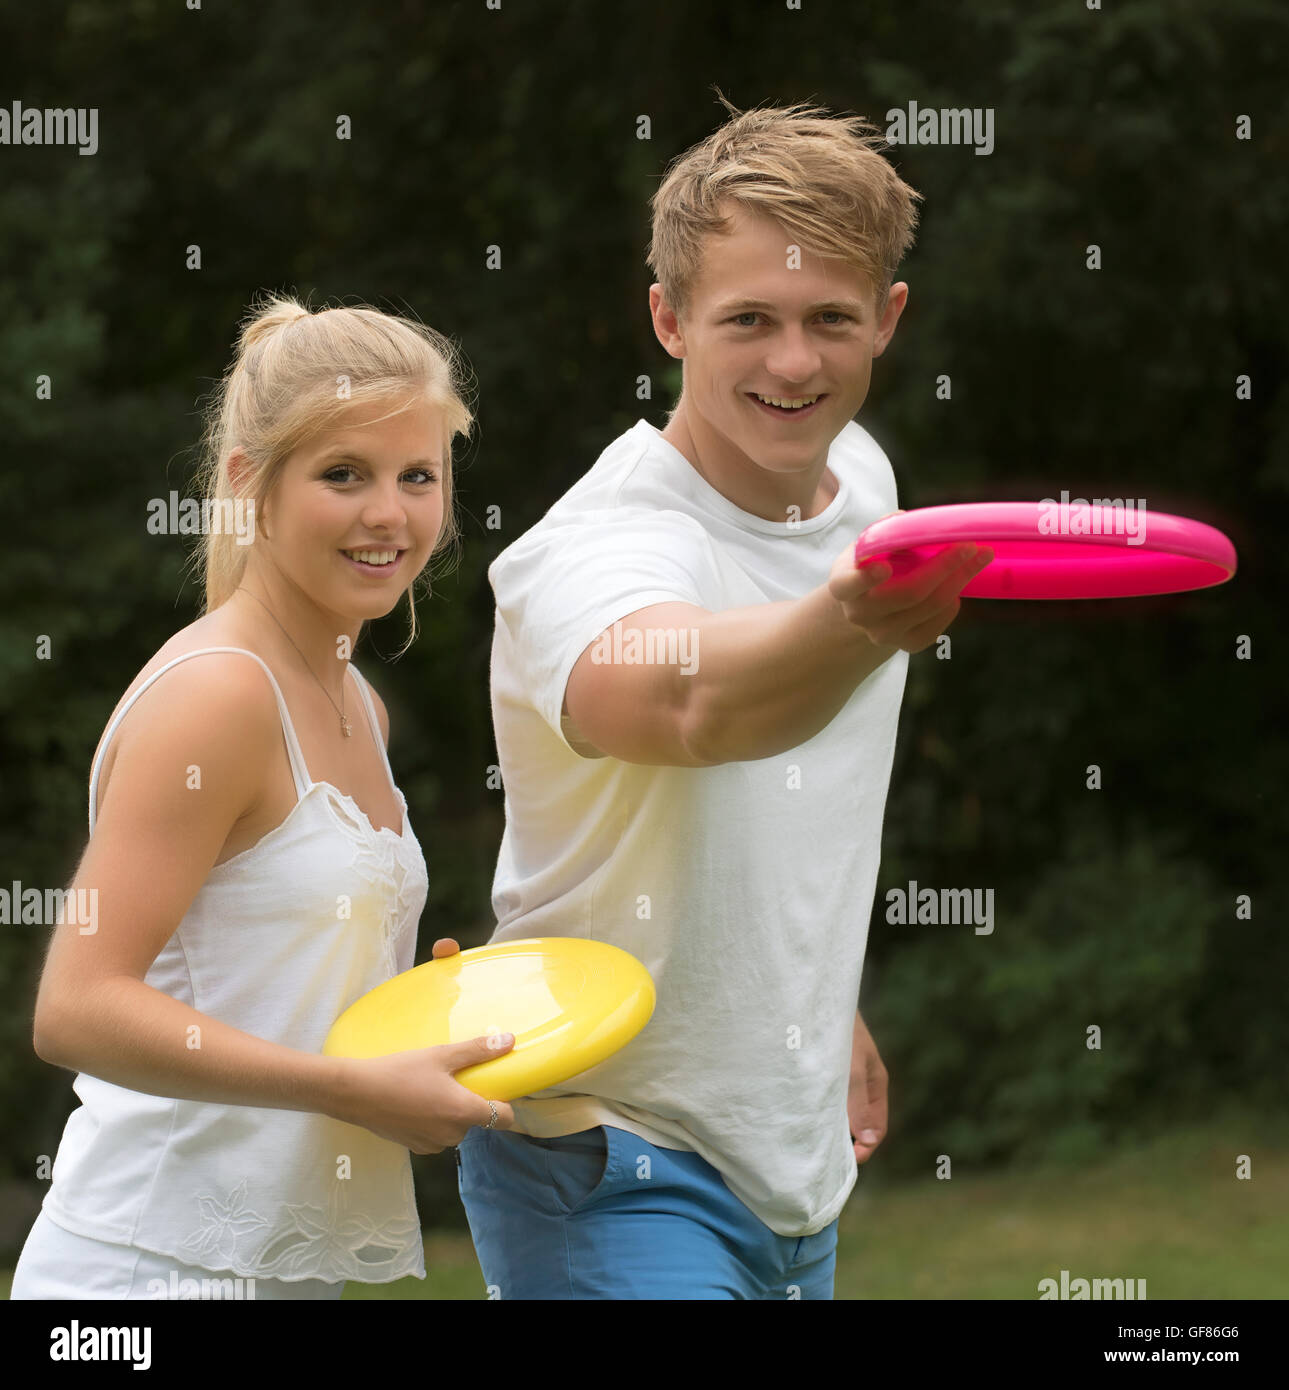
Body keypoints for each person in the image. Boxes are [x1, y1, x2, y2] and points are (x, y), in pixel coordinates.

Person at [456, 96, 993, 1299]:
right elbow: (695, 707)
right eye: (747, 319)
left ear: (887, 321)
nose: (792, 363)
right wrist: (854, 620)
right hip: (606, 1153)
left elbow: (778, 822)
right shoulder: (589, 554)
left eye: (828, 320)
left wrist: (809, 1004)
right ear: (668, 320)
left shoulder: (862, 481)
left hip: (792, 1166)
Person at [12, 293, 515, 1300]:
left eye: (418, 475)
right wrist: (346, 1087)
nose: (389, 512)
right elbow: (75, 1007)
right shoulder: (217, 695)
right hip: (149, 1270)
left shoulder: (355, 703)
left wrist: (413, 1018)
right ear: (253, 485)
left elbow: (270, 978)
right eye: (343, 474)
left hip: (282, 1270)